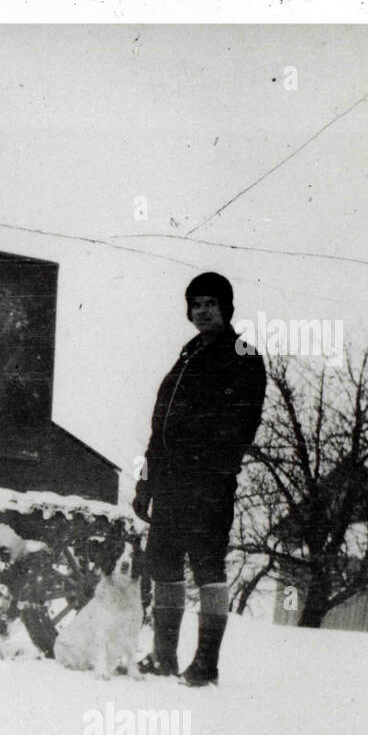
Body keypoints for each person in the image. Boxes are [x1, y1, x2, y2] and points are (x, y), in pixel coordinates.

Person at [132, 273, 266, 686]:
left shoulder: (243, 355)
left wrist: (214, 469)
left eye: (210, 302)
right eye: (195, 304)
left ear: (226, 307)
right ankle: (165, 657)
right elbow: (162, 427)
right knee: (164, 564)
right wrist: (146, 484)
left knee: (207, 565)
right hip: (170, 480)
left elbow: (243, 423)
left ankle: (206, 664)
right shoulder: (188, 355)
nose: (202, 310)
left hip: (208, 481)